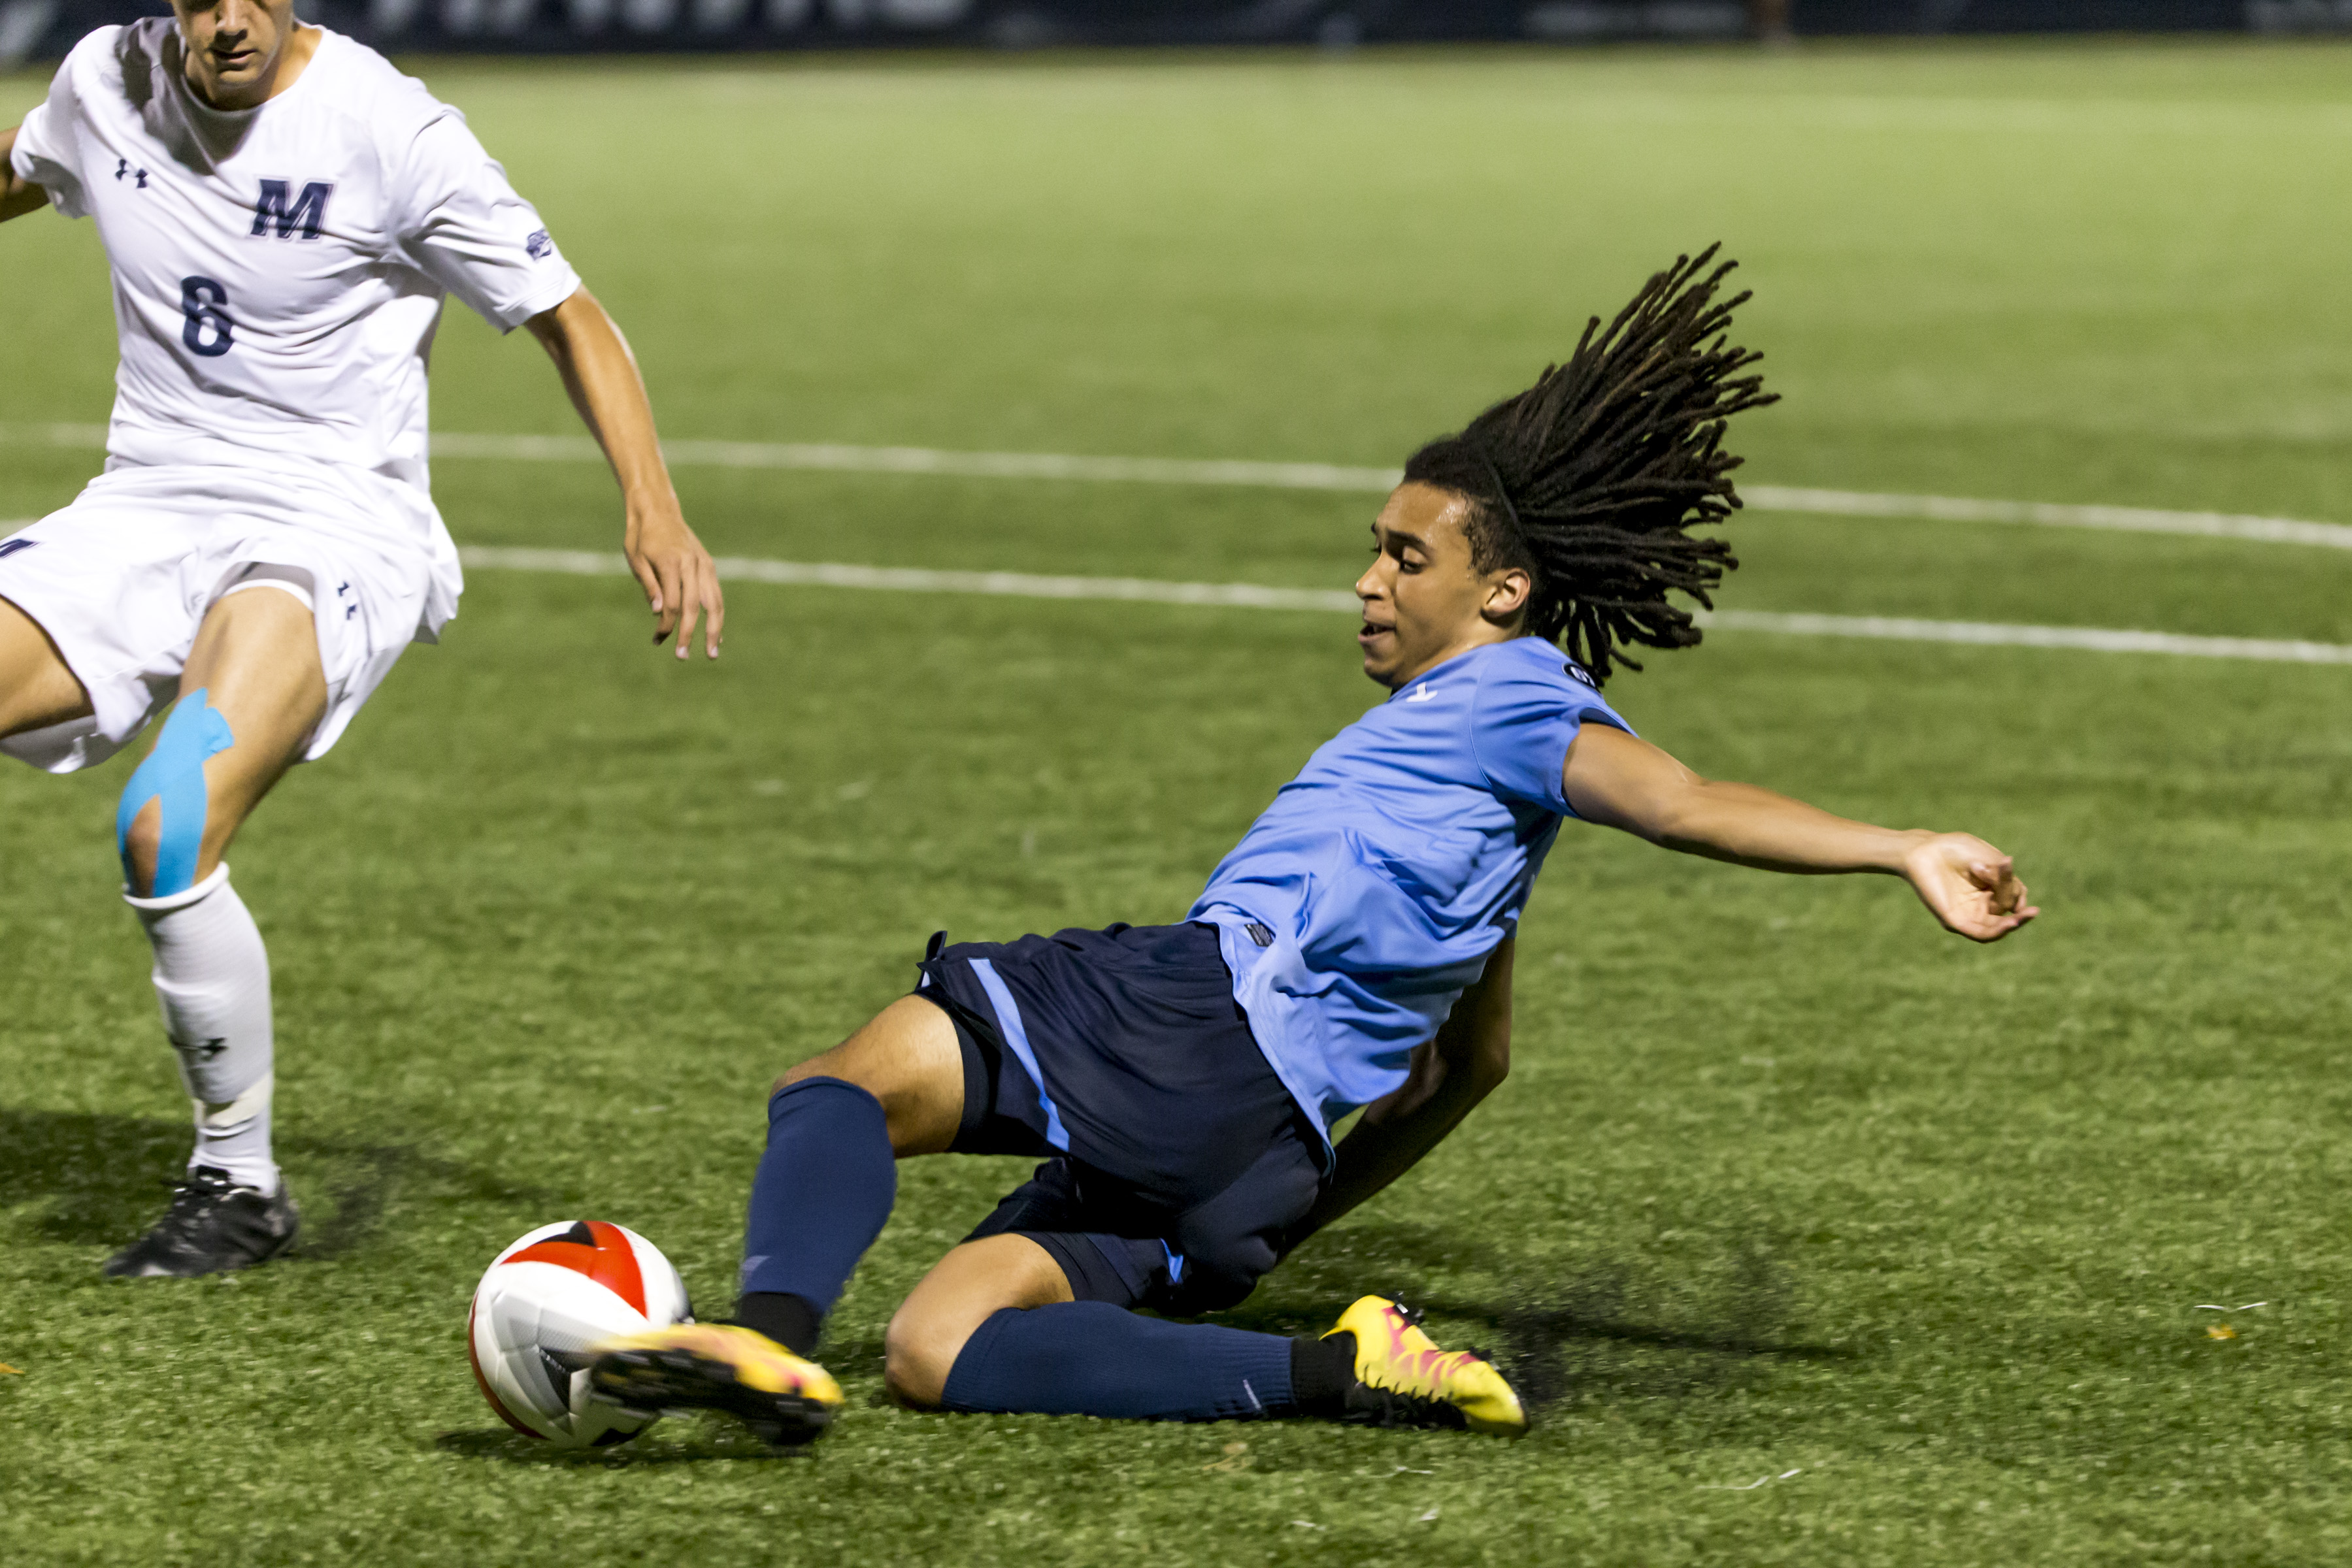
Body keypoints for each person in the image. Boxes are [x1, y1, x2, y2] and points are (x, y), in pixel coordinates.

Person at [588, 249, 2036, 1443]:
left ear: (1505, 590)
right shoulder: (1483, 809)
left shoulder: (1514, 695)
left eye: (1408, 558)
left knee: (841, 1087)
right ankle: (1335, 1374)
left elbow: (1681, 801)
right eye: (1373, 550)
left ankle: (761, 1340)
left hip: (1200, 1020)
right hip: (1258, 1153)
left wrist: (1901, 846)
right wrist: (1287, 1215)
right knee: (938, 1343)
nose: (1368, 581)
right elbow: (1473, 1068)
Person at [0, 0, 724, 1278]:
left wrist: (653, 504)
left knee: (167, 823)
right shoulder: (101, 83)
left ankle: (239, 1183)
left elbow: (569, 312)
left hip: (332, 527)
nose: (230, 21)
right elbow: (25, 166)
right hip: (147, 506)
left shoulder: (389, 130)